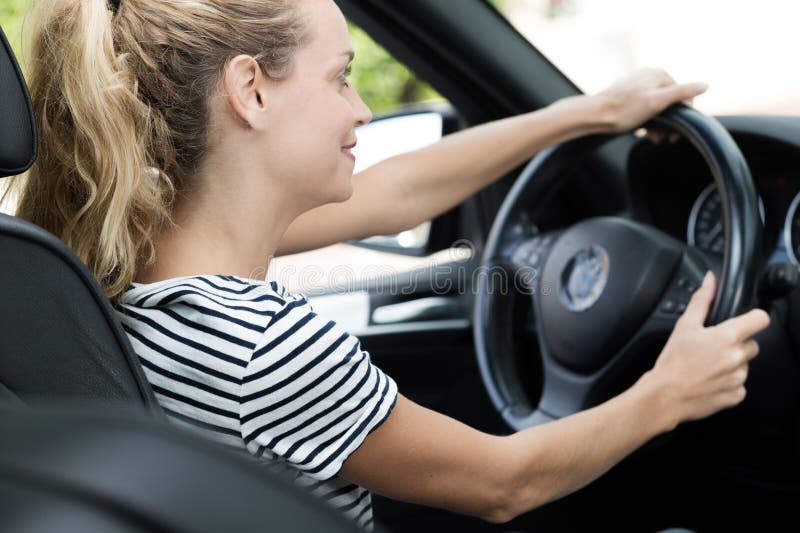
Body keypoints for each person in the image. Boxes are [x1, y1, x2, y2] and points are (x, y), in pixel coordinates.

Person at [10, 0, 770, 530]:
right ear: (251, 91)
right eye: (341, 76)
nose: (361, 110)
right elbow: (506, 482)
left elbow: (395, 192)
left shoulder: (115, 260)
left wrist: (588, 113)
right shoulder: (266, 345)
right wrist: (670, 392)